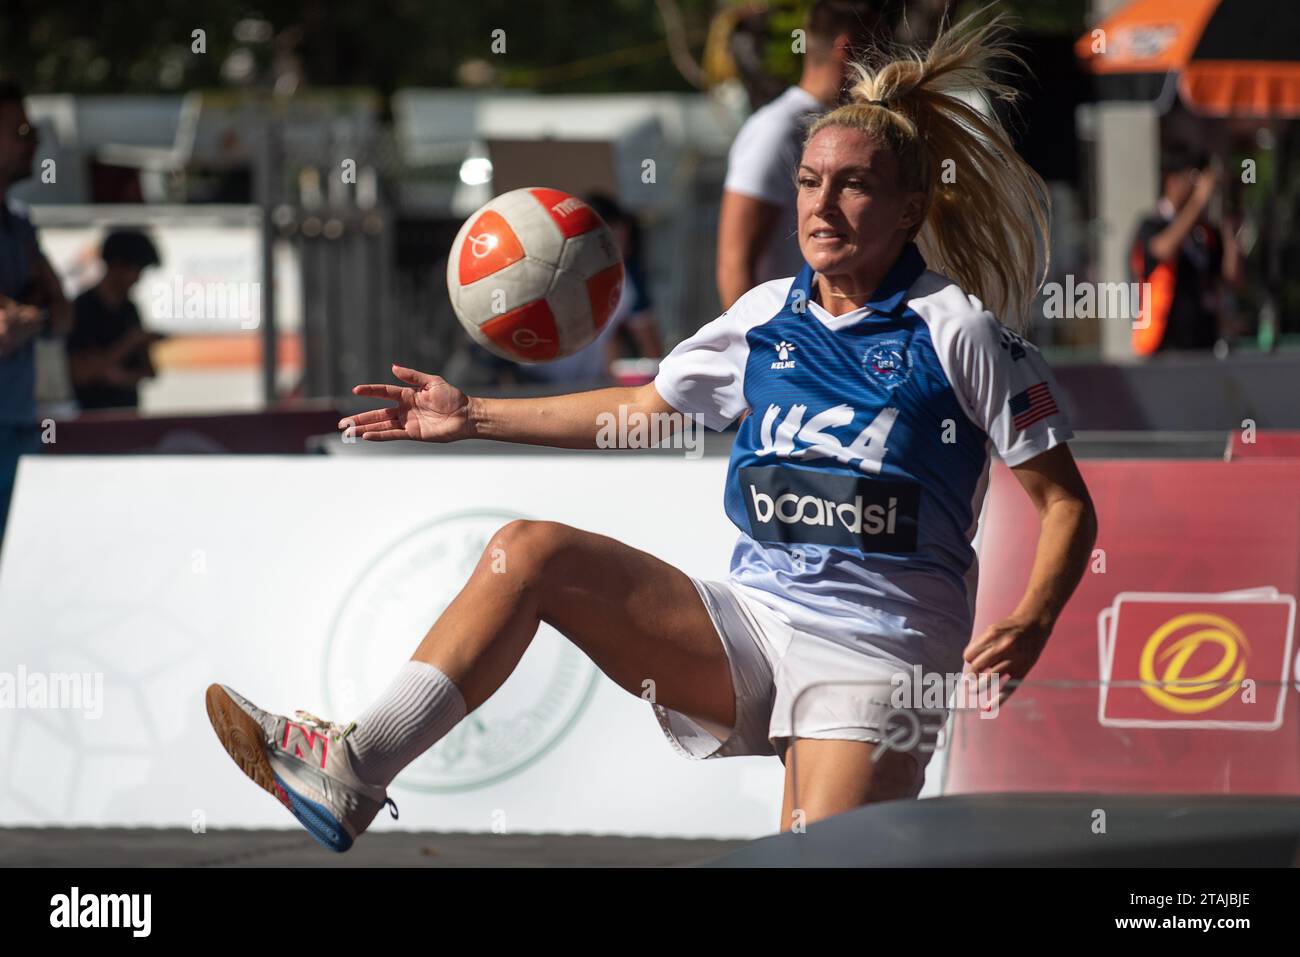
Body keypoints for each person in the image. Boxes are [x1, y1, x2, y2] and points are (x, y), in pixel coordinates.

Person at [206, 13, 1098, 851]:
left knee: (818, 859)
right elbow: (641, 413)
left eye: (855, 185)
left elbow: (1065, 506)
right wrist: (472, 415)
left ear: (909, 208)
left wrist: (1032, 616)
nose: (823, 205)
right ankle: (354, 766)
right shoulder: (761, 320)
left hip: (880, 648)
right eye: (809, 182)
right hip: (754, 622)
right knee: (531, 553)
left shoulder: (959, 331)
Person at [716, 0, 888, 309]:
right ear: (846, 49)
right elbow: (734, 263)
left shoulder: (846, 127)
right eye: (876, 49)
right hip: (785, 343)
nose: (882, 63)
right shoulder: (777, 128)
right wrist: (753, 349)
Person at [0, 79, 71, 546]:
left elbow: (61, 316)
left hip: (21, 429)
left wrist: (29, 317)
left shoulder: (19, 223)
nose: (35, 142)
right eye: (21, 130)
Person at [518, 193, 661, 387]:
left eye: (621, 229)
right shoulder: (551, 270)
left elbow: (642, 342)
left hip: (585, 385)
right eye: (613, 230)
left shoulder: (628, 280)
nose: (621, 237)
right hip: (531, 380)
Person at [1129, 148, 1242, 355]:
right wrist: (1198, 201)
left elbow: (1230, 278)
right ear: (1172, 182)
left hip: (1204, 344)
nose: (1197, 187)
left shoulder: (1205, 233)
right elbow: (1163, 249)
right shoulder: (1151, 225)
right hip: (1162, 344)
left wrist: (1230, 233)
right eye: (1192, 179)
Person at [67, 229, 163, 411]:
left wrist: (120, 376)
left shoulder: (130, 309)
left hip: (127, 415)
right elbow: (80, 373)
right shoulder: (82, 309)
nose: (137, 279)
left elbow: (149, 372)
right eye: (136, 270)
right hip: (89, 417)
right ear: (117, 265)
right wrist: (129, 343)